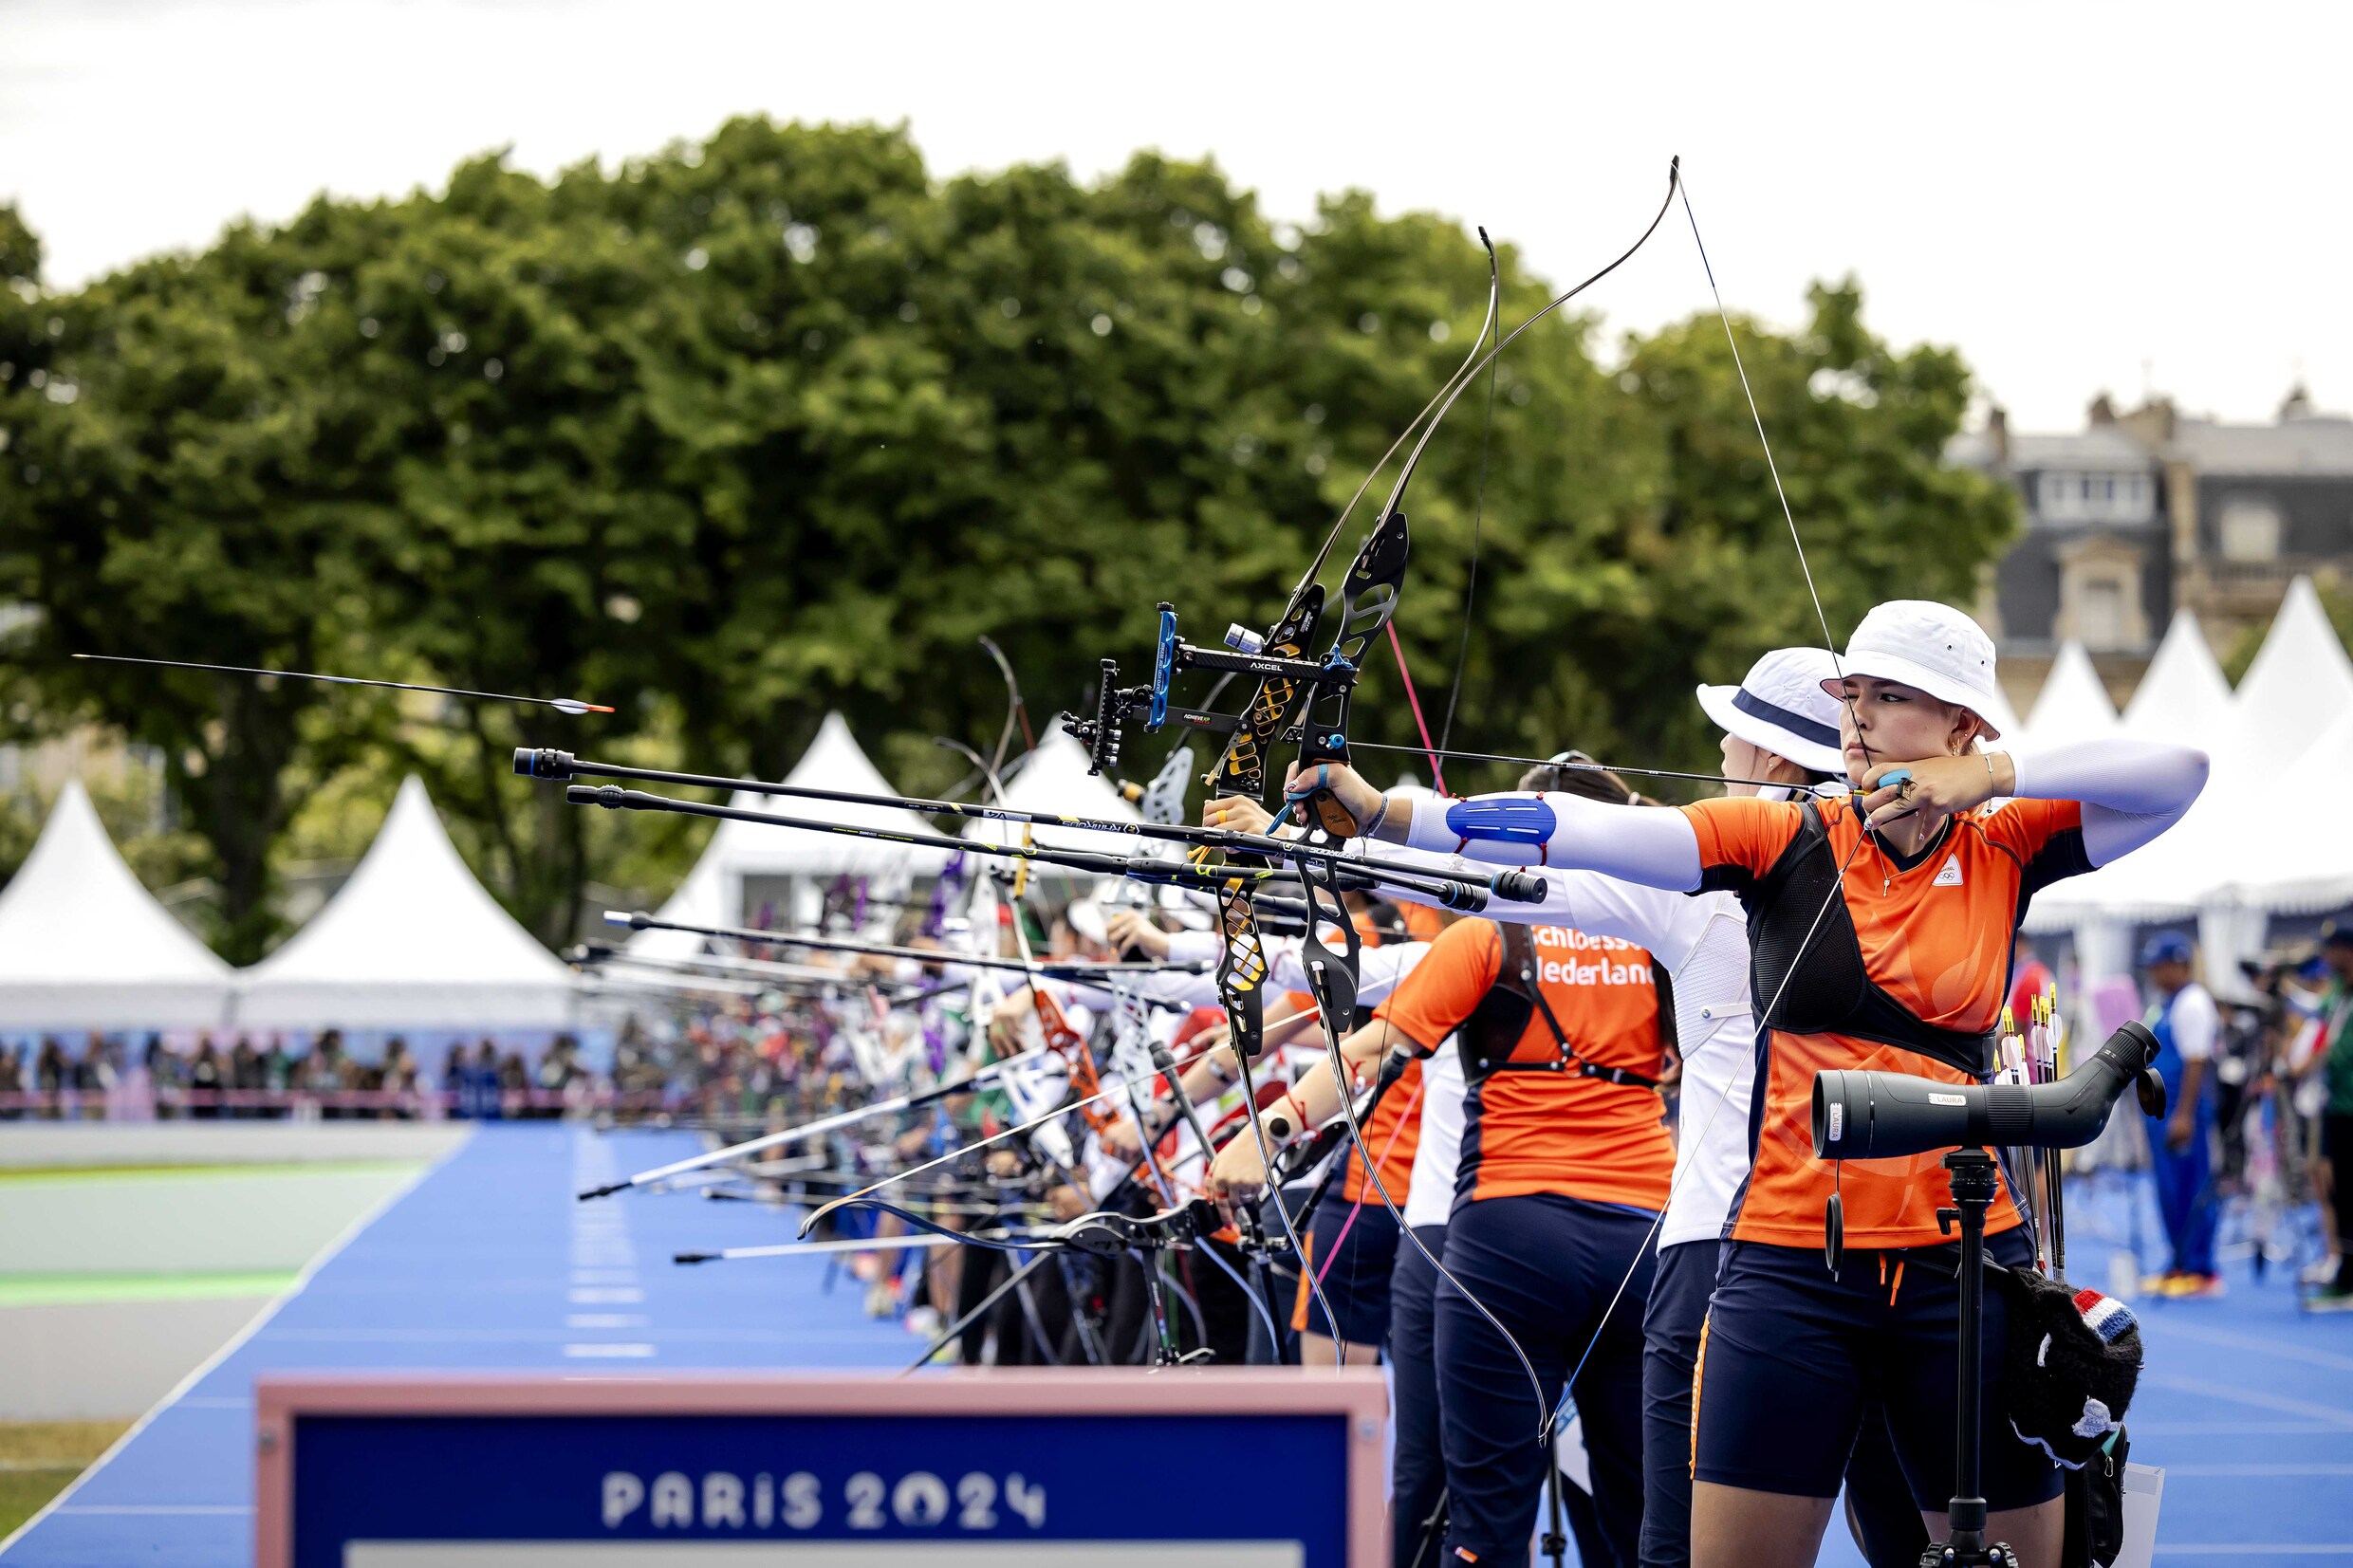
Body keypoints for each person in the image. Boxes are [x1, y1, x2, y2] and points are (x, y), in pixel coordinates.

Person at [1287, 600, 2207, 1568]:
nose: (1854, 719)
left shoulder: (2004, 841)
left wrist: (1982, 779)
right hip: (1786, 1268)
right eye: (1849, 696)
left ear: (1958, 723)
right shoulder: (1780, 836)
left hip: (1961, 1266)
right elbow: (1581, 832)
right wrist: (1389, 814)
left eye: (1887, 698)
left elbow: (2178, 775)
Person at [1210, 757, 1675, 1568]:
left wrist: (1266, 1133)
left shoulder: (1486, 935)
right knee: (1642, 1519)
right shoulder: (1664, 937)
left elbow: (1372, 1047)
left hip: (1510, 1240)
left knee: (1487, 1521)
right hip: (1646, 1243)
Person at [2140, 932, 2223, 1297]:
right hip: (2161, 1112)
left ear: (2181, 965)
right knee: (2170, 1191)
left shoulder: (2192, 1002)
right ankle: (2178, 1260)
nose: (2155, 974)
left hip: (2180, 1110)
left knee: (2191, 1185)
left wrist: (2185, 1115)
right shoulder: (2165, 1004)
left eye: (2162, 966)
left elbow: (2196, 1061)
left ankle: (2200, 1267)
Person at [2307, 922, 2353, 1311]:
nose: (2325, 958)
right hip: (2336, 1106)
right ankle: (2345, 1270)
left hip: (2350, 1103)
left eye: (2331, 951)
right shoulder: (2337, 994)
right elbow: (2315, 1018)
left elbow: (2338, 1051)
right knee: (2339, 1190)